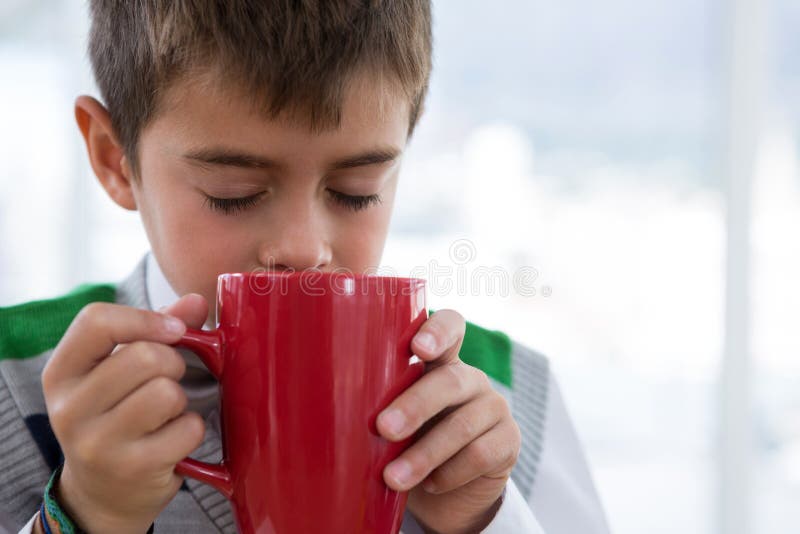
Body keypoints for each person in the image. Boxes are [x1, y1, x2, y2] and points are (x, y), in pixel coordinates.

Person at [0, 2, 610, 533]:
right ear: (115, 161)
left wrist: (484, 519)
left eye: (357, 190)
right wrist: (85, 515)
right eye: (232, 193)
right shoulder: (14, 384)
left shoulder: (508, 401)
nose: (303, 249)